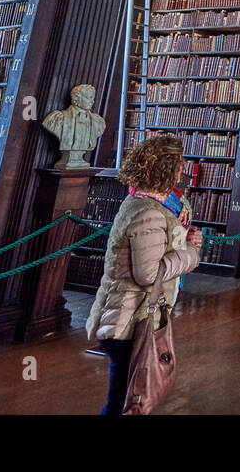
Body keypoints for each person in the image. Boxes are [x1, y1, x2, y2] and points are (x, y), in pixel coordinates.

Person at [87, 134, 203, 414]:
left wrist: (183, 240)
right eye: (178, 163)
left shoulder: (153, 204)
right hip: (128, 320)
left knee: (128, 399)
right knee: (124, 402)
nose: (182, 168)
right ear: (165, 167)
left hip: (132, 316)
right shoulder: (147, 212)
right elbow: (149, 274)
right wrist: (190, 253)